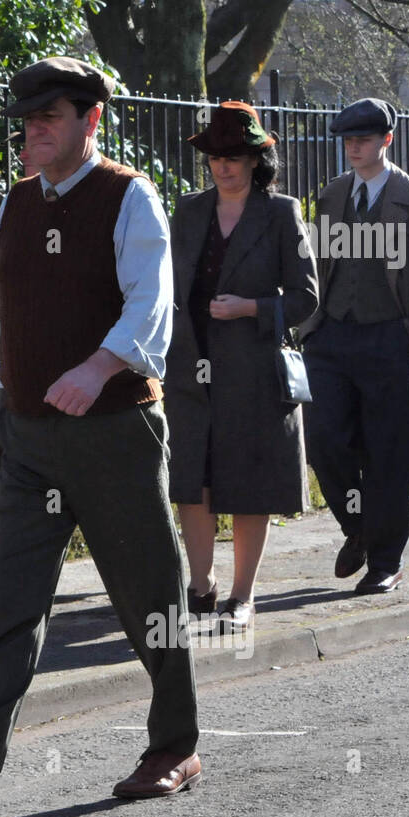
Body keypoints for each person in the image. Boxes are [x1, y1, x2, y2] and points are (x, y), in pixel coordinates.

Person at [0, 57, 200, 817]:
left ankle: (174, 746)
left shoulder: (130, 197)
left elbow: (152, 306)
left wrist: (98, 367)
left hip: (114, 431)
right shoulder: (17, 202)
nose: (33, 131)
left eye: (49, 117)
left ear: (91, 119)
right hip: (28, 438)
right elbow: (12, 308)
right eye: (27, 119)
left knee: (150, 593)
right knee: (11, 603)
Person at [165, 102, 318, 630]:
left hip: (252, 370)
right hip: (190, 365)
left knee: (250, 482)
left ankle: (242, 596)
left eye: (233, 156)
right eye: (215, 157)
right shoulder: (188, 210)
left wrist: (250, 307)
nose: (223, 166)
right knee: (193, 477)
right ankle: (200, 584)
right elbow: (165, 285)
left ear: (256, 159)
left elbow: (306, 299)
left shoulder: (281, 213)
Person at [298, 97, 409, 595]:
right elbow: (320, 265)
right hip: (331, 337)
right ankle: (359, 526)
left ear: (387, 140)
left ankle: (386, 561)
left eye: (363, 139)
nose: (354, 148)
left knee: (388, 452)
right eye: (348, 140)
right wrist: (311, 328)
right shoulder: (332, 195)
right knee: (323, 439)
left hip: (390, 338)